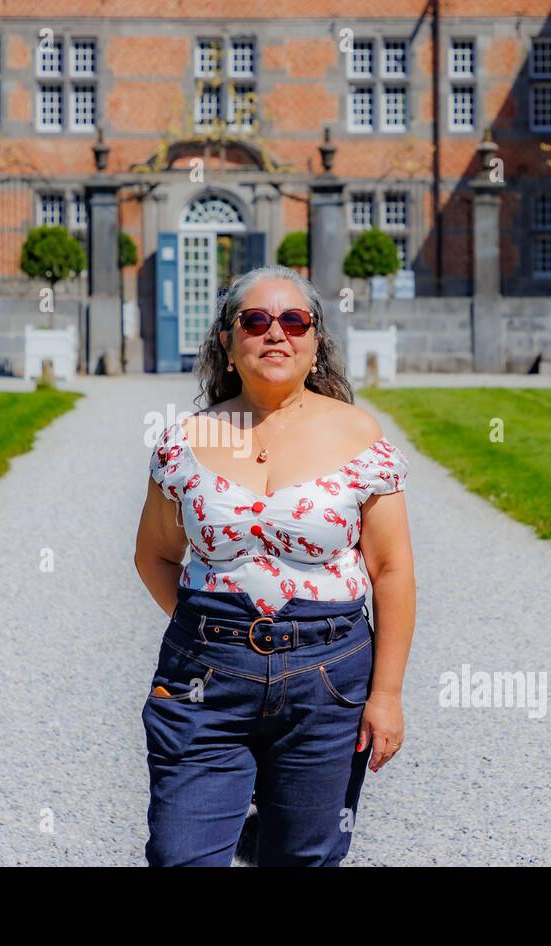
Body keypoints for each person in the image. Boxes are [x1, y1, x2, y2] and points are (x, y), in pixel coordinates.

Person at [133, 264, 417, 866]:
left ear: (315, 344)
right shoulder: (185, 439)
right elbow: (155, 554)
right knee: (179, 854)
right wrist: (213, 630)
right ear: (228, 344)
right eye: (255, 320)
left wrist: (386, 694)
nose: (275, 333)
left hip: (328, 675)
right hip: (203, 677)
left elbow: (391, 569)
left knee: (302, 858)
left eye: (294, 320)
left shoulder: (358, 435)